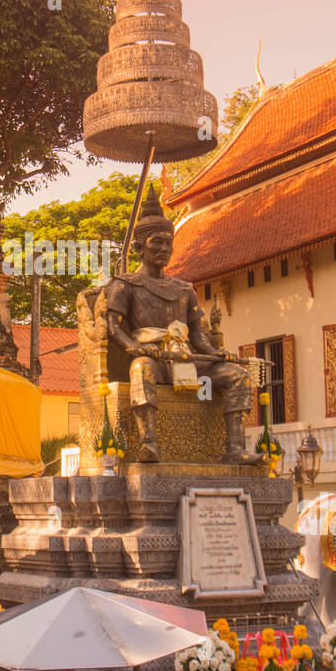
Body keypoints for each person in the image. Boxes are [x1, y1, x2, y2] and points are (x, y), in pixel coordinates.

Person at [103, 187, 260, 464]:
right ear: (140, 247)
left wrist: (214, 354)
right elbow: (113, 327)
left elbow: (198, 333)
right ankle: (148, 442)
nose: (164, 249)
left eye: (168, 243)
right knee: (141, 371)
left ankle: (234, 448)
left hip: (187, 357)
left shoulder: (184, 289)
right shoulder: (125, 284)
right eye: (156, 243)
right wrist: (136, 348)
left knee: (237, 375)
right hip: (154, 357)